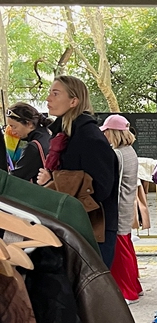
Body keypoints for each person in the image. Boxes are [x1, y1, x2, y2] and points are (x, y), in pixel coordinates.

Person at [36, 76, 119, 266]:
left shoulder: (89, 137)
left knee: (91, 291)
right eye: (49, 93)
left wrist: (54, 180)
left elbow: (101, 187)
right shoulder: (67, 135)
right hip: (76, 225)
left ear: (74, 101)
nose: (48, 98)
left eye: (55, 94)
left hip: (94, 229)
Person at [101, 114, 143, 303]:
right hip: (127, 203)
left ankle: (128, 292)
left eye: (107, 131)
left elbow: (114, 185)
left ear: (113, 132)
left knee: (121, 249)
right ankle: (135, 286)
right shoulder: (130, 151)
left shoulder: (117, 154)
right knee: (127, 246)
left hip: (118, 205)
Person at [6, 103, 51, 183]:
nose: (12, 132)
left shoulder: (32, 147)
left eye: (14, 127)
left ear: (29, 124)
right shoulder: (47, 134)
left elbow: (14, 179)